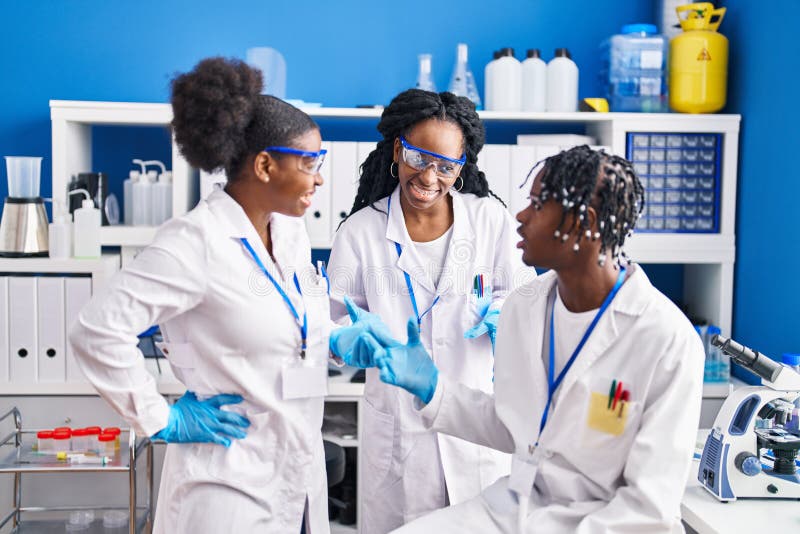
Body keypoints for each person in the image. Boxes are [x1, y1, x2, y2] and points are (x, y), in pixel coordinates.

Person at [69, 57, 370, 533]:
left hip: (296, 471)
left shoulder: (289, 232)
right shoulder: (194, 242)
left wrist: (334, 339)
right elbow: (95, 330)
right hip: (226, 483)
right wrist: (160, 417)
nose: (319, 178)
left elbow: (284, 319)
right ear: (266, 165)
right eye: (310, 162)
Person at [358, 145, 705, 533]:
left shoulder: (665, 339)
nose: (521, 217)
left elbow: (648, 507)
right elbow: (515, 425)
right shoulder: (525, 306)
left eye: (538, 205)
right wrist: (434, 387)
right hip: (516, 505)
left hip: (602, 521)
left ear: (582, 222)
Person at [327, 88, 534, 534]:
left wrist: (504, 313)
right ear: (399, 150)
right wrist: (345, 340)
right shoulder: (360, 232)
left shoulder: (489, 221)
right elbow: (331, 325)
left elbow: (523, 298)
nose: (430, 176)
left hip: (477, 430)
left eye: (446, 166)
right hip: (400, 434)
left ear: (462, 167)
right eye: (420, 158)